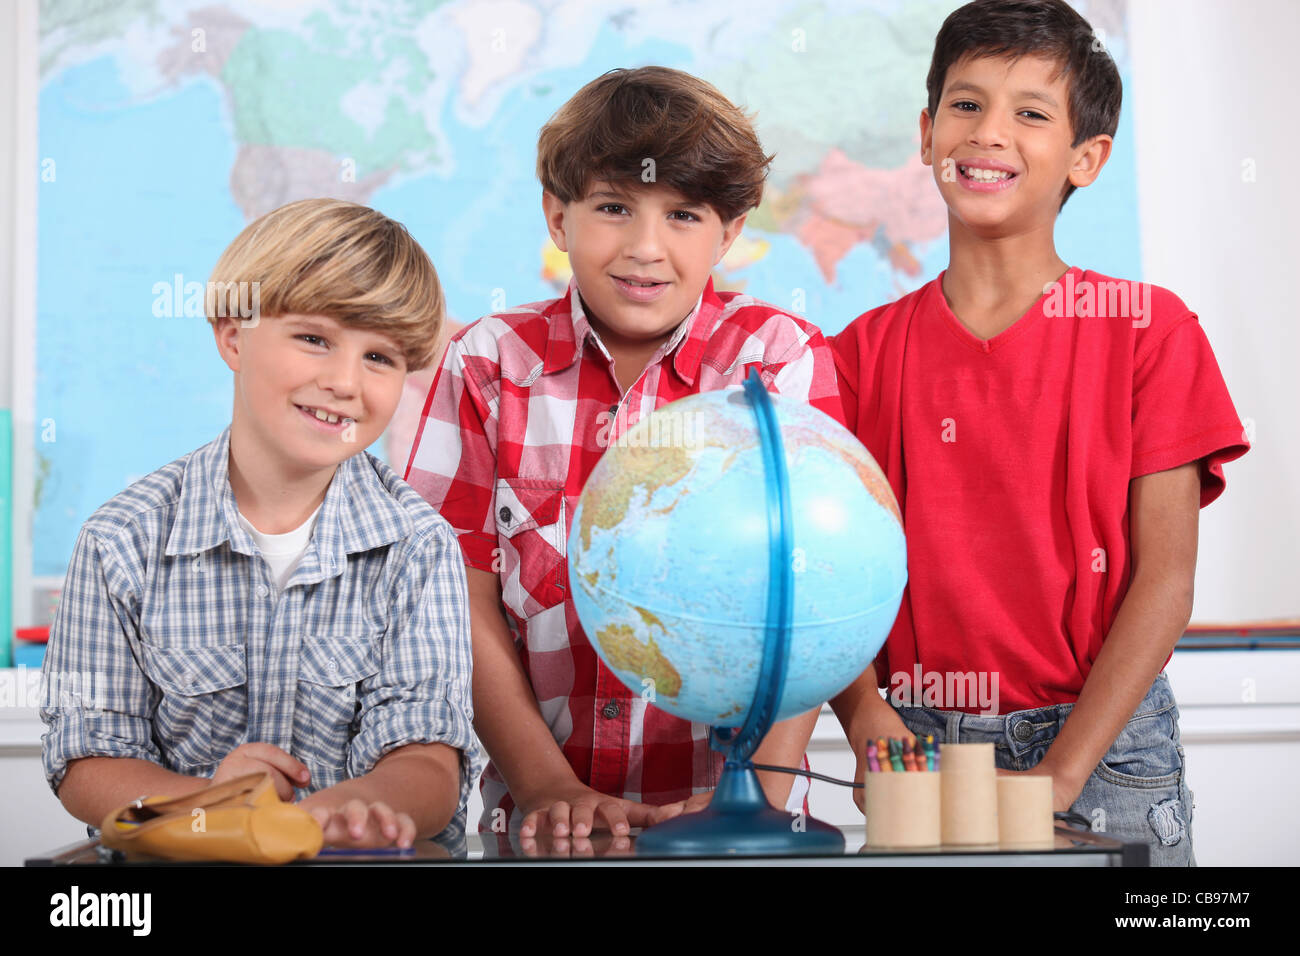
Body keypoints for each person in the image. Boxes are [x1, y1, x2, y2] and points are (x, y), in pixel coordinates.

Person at [829, 0, 1248, 865]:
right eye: (966, 104)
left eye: (1031, 113)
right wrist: (866, 714)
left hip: (1105, 748)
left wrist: (1060, 776)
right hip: (920, 742)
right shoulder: (856, 355)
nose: (989, 133)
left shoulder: (1150, 332)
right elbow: (828, 576)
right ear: (927, 131)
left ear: (1086, 158)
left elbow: (1165, 584)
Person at [404, 66, 843, 848]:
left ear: (731, 232)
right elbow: (457, 598)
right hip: (540, 832)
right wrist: (547, 788)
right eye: (613, 209)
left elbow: (816, 595)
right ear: (557, 216)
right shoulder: (489, 364)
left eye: (683, 215)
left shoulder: (776, 359)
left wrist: (759, 800)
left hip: (734, 828)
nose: (645, 248)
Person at [41, 198, 479, 853]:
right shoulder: (120, 542)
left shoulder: (418, 549)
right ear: (233, 336)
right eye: (314, 339)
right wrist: (212, 804)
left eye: (380, 358)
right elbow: (87, 760)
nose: (344, 382)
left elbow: (429, 759)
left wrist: (342, 812)